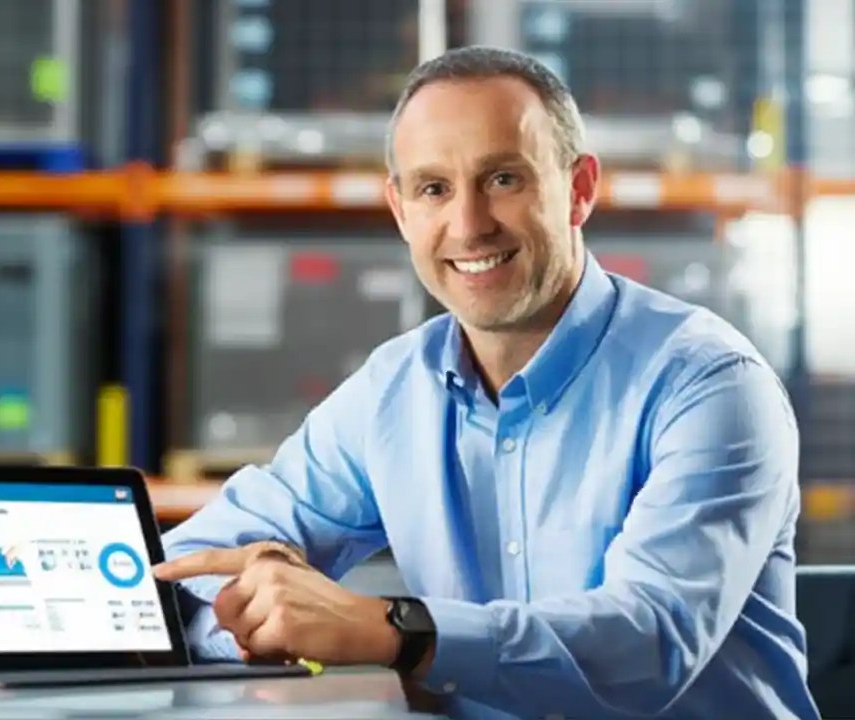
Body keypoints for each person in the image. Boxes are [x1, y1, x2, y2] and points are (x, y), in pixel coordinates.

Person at [154, 46, 820, 720]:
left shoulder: (709, 385)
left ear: (579, 190)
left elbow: (646, 643)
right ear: (401, 209)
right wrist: (256, 597)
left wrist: (394, 630)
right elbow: (185, 572)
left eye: (504, 179)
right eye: (434, 189)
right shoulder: (393, 392)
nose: (469, 225)